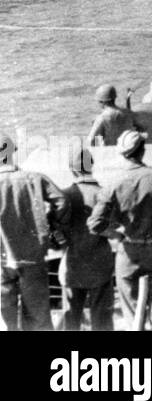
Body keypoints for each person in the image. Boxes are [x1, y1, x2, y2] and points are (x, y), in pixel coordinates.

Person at [88, 131, 152, 332]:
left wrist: (116, 234)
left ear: (122, 154)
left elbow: (94, 224)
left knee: (131, 310)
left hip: (128, 251)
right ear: (142, 151)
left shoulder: (113, 183)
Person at [0, 130, 69, 331]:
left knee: (5, 319)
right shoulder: (35, 178)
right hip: (32, 257)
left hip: (1, 260)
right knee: (38, 317)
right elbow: (62, 201)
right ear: (14, 152)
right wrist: (53, 226)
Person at [59, 145, 115, 331]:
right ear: (92, 165)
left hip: (72, 265)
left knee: (71, 320)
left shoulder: (64, 195)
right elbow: (114, 229)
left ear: (71, 168)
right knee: (102, 320)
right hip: (101, 265)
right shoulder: (105, 193)